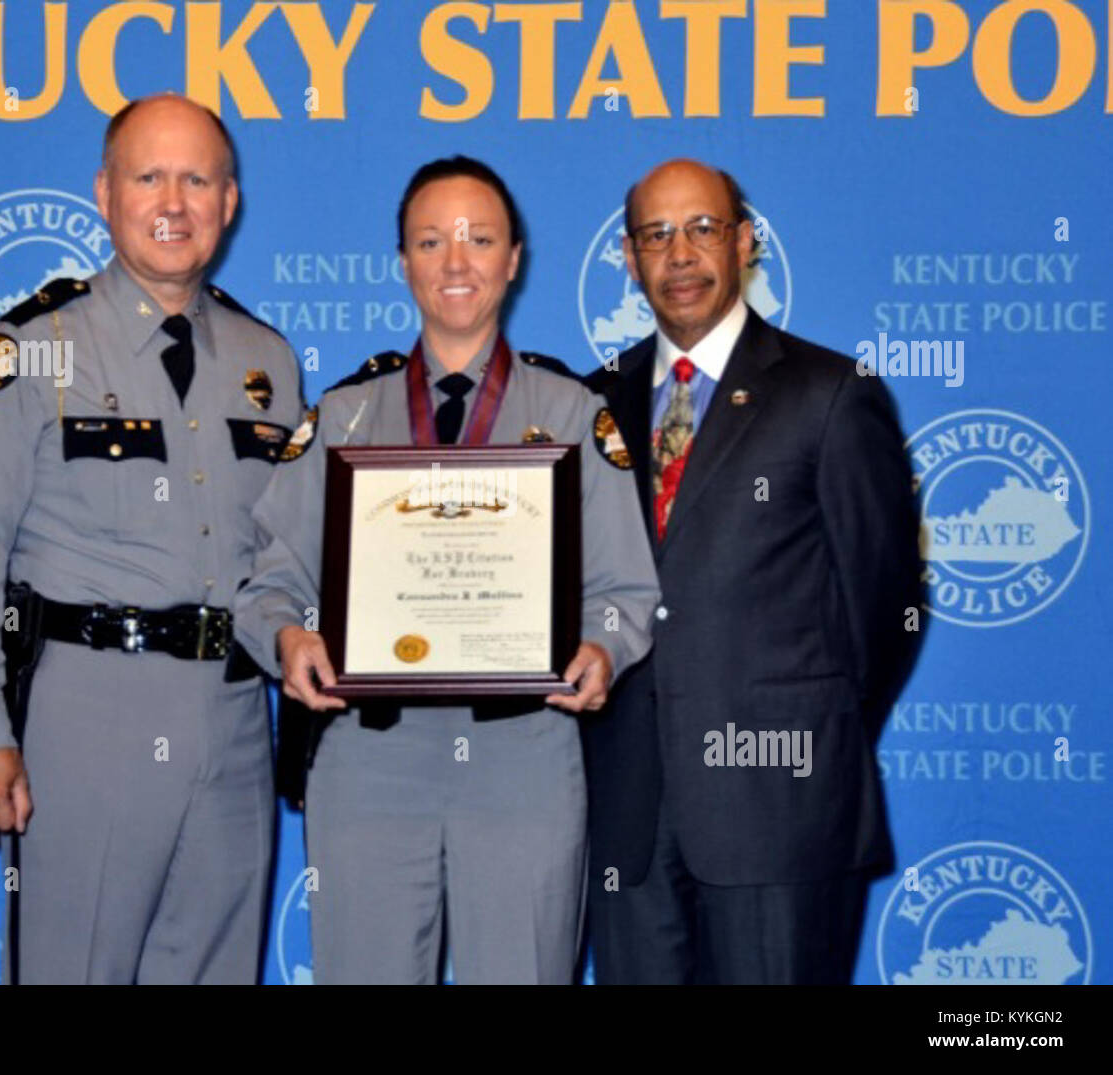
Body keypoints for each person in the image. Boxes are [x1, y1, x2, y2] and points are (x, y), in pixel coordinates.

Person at [235, 156, 659, 984]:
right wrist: (287, 638)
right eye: (431, 241)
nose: (455, 262)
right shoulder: (343, 416)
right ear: (402, 263)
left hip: (526, 751)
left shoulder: (575, 414)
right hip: (369, 755)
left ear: (514, 258)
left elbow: (625, 590)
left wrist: (603, 650)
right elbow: (272, 578)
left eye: (479, 239)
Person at [0, 93, 304, 984]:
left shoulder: (269, 362)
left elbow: (289, 555)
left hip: (236, 717)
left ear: (230, 201)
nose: (174, 201)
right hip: (88, 716)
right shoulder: (32, 349)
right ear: (103, 192)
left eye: (197, 179)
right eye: (148, 176)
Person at [582, 159, 923, 984]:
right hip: (625, 813)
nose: (680, 254)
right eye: (656, 235)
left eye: (702, 228)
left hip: (781, 810)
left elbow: (885, 608)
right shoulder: (588, 401)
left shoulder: (831, 392)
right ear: (628, 259)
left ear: (745, 242)